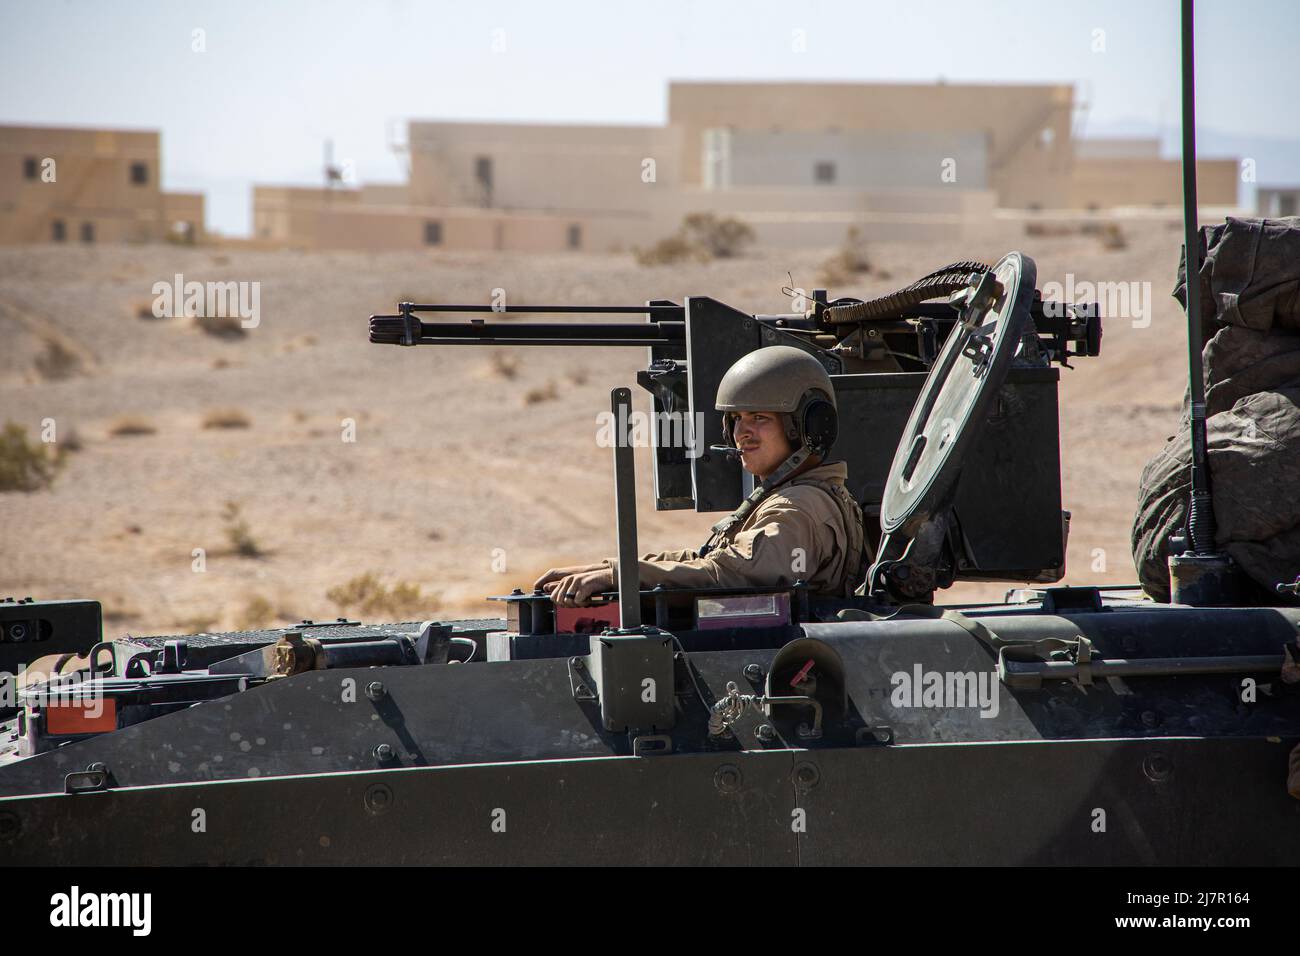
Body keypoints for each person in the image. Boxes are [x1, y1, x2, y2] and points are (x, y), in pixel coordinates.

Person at [536, 346, 866, 607]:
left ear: (805, 427)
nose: (742, 432)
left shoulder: (797, 507)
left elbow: (731, 576)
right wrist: (610, 569)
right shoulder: (797, 494)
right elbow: (709, 560)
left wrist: (621, 576)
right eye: (736, 418)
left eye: (759, 417)